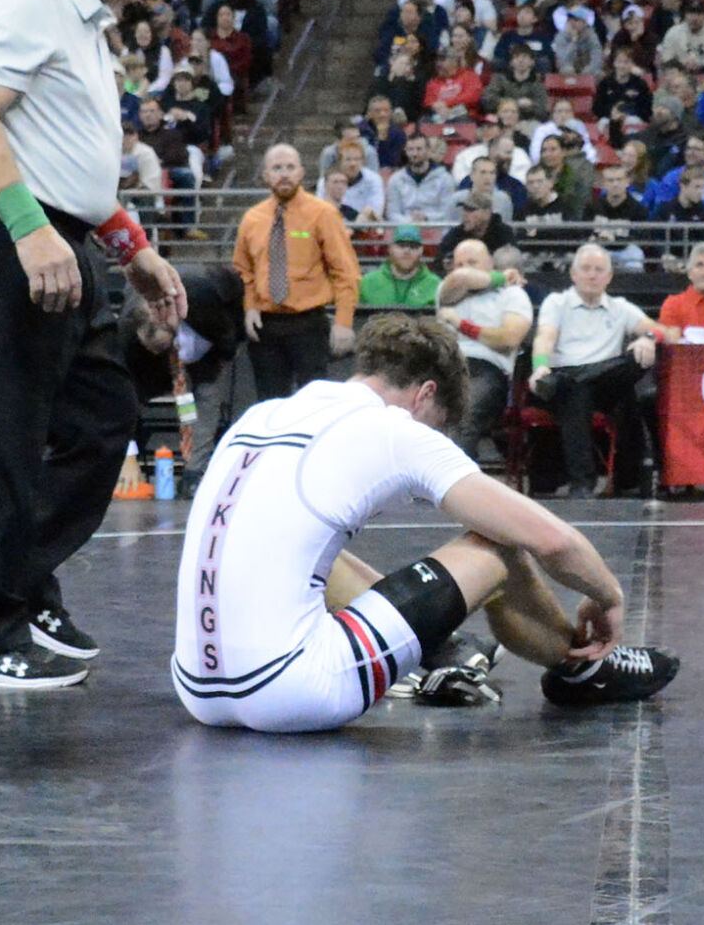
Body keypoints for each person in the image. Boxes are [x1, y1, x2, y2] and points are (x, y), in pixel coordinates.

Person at [170, 312, 678, 732]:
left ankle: (439, 647)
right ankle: (584, 666)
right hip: (293, 691)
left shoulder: (264, 415)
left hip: (198, 687)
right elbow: (551, 538)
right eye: (437, 425)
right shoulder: (394, 429)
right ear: (424, 395)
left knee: (300, 546)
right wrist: (608, 595)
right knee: (499, 542)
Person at [0, 0, 186, 689]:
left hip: (56, 234)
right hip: (12, 232)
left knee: (103, 415)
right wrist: (27, 227)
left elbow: (70, 152)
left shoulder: (82, 20)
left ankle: (19, 579)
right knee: (1, 433)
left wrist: (131, 247)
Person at [528, 244, 665, 497]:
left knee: (636, 358)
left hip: (607, 382)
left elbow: (660, 329)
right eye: (586, 269)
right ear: (573, 274)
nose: (592, 275)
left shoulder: (620, 307)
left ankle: (583, 484)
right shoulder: (556, 302)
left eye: (599, 270)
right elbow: (545, 337)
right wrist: (539, 368)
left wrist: (647, 337)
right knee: (578, 392)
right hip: (564, 382)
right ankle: (584, 482)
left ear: (609, 277)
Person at [234, 143, 362, 402]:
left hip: (308, 324)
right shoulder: (252, 219)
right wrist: (250, 307)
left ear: (302, 173)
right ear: (265, 176)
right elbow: (243, 270)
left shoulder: (323, 213)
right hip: (265, 326)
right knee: (268, 405)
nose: (284, 174)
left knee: (312, 406)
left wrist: (343, 322)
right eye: (277, 168)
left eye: (290, 167)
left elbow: (345, 271)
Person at [120, 263, 247, 498]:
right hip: (162, 369)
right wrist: (128, 453)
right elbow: (123, 395)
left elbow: (238, 288)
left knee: (206, 404)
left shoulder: (204, 291)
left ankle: (193, 474)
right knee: (139, 399)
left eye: (162, 344)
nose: (158, 349)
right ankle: (126, 466)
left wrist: (234, 342)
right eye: (153, 348)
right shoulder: (127, 334)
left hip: (209, 348)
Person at [435, 238, 534, 460]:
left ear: (490, 262)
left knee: (463, 415)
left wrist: (461, 325)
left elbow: (508, 338)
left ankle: (455, 492)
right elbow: (461, 278)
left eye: (472, 262)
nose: (464, 269)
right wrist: (501, 276)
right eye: (459, 263)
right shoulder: (448, 291)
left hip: (485, 370)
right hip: (442, 366)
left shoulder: (512, 294)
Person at [359, 225, 440, 308]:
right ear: (390, 248)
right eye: (401, 245)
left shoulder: (436, 285)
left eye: (413, 246)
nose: (407, 251)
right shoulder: (368, 283)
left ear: (421, 250)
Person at [384, 132, 455, 225]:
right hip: (404, 230)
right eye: (410, 149)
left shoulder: (445, 179)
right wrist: (410, 222)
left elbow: (447, 213)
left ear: (428, 150)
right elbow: (392, 213)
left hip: (435, 228)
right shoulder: (396, 179)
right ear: (405, 151)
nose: (414, 154)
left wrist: (426, 217)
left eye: (419, 149)